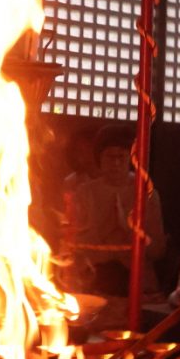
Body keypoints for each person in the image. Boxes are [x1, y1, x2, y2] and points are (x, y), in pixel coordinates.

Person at [63, 123, 167, 295]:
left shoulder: (146, 194)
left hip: (138, 284)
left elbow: (157, 250)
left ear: (131, 158)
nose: (116, 163)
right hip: (94, 282)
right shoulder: (85, 193)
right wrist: (107, 230)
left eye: (121, 156)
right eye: (110, 157)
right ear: (99, 159)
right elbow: (77, 247)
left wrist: (129, 229)